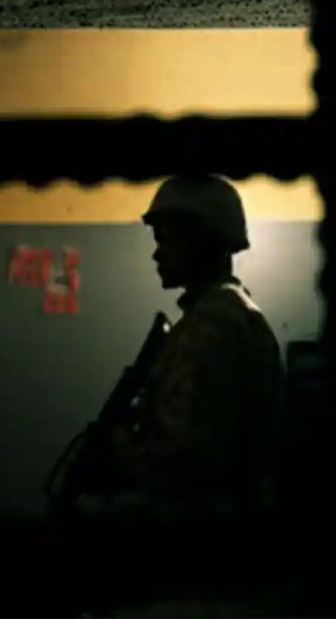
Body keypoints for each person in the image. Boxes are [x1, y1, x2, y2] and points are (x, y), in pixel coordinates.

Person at [104, 174, 286, 521]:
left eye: (166, 239)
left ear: (200, 239)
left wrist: (118, 443)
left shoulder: (209, 326)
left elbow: (180, 464)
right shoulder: (234, 311)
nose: (157, 254)